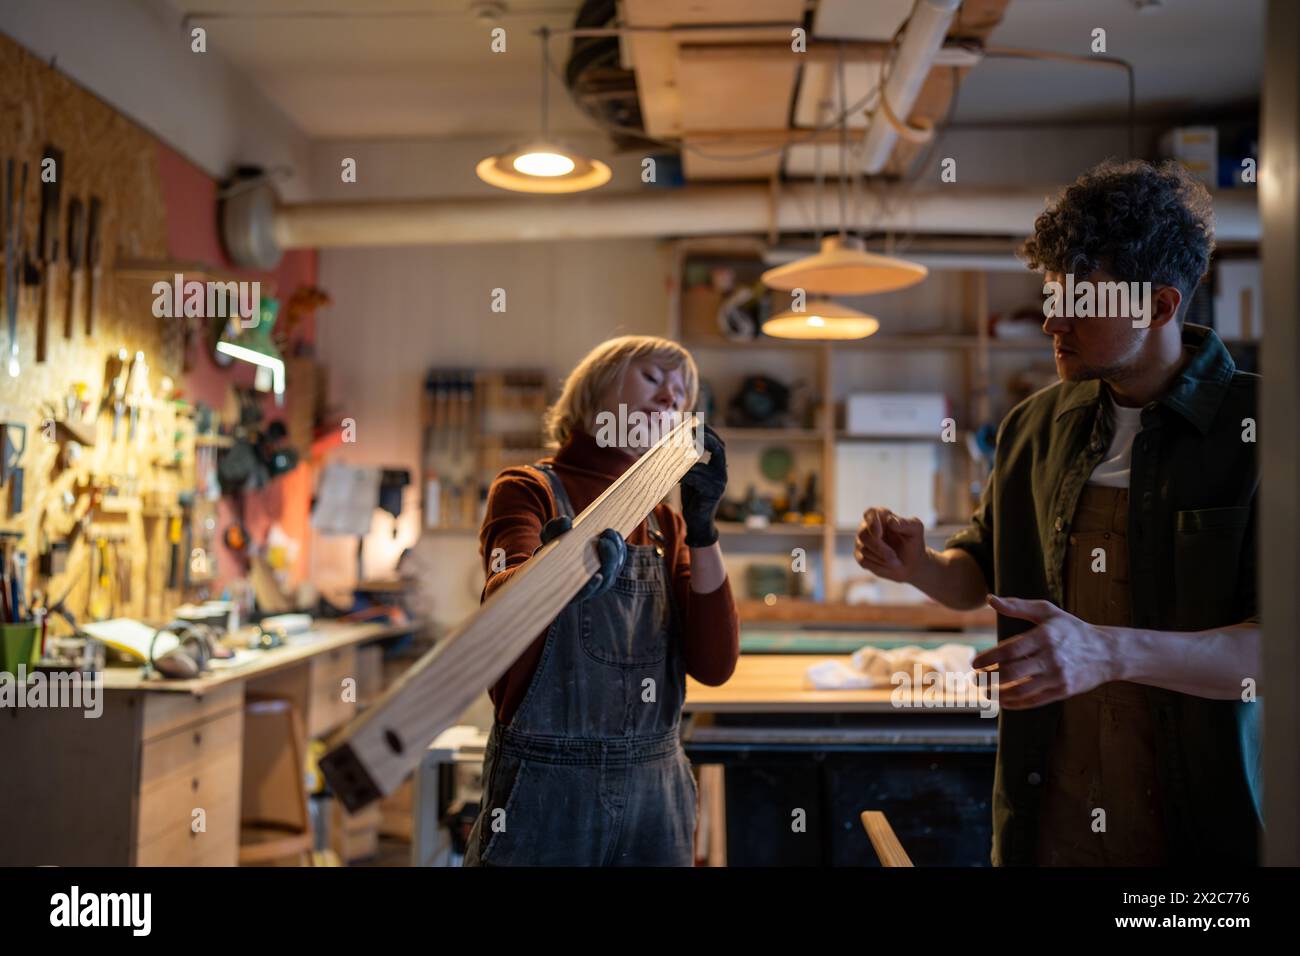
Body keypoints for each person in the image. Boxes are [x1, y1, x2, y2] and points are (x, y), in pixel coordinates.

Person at [854, 159, 1261, 866]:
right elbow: (982, 573)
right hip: (1053, 822)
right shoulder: (1034, 426)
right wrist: (919, 564)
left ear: (1160, 306)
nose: (1052, 320)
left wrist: (1108, 651)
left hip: (1206, 830)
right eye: (1051, 296)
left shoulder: (1265, 431)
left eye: (1080, 301)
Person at [463, 335, 738, 866]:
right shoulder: (528, 489)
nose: (670, 399)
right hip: (547, 791)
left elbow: (715, 663)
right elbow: (501, 608)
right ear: (594, 390)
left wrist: (703, 529)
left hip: (655, 798)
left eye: (681, 393)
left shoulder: (665, 522)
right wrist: (558, 571)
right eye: (653, 378)